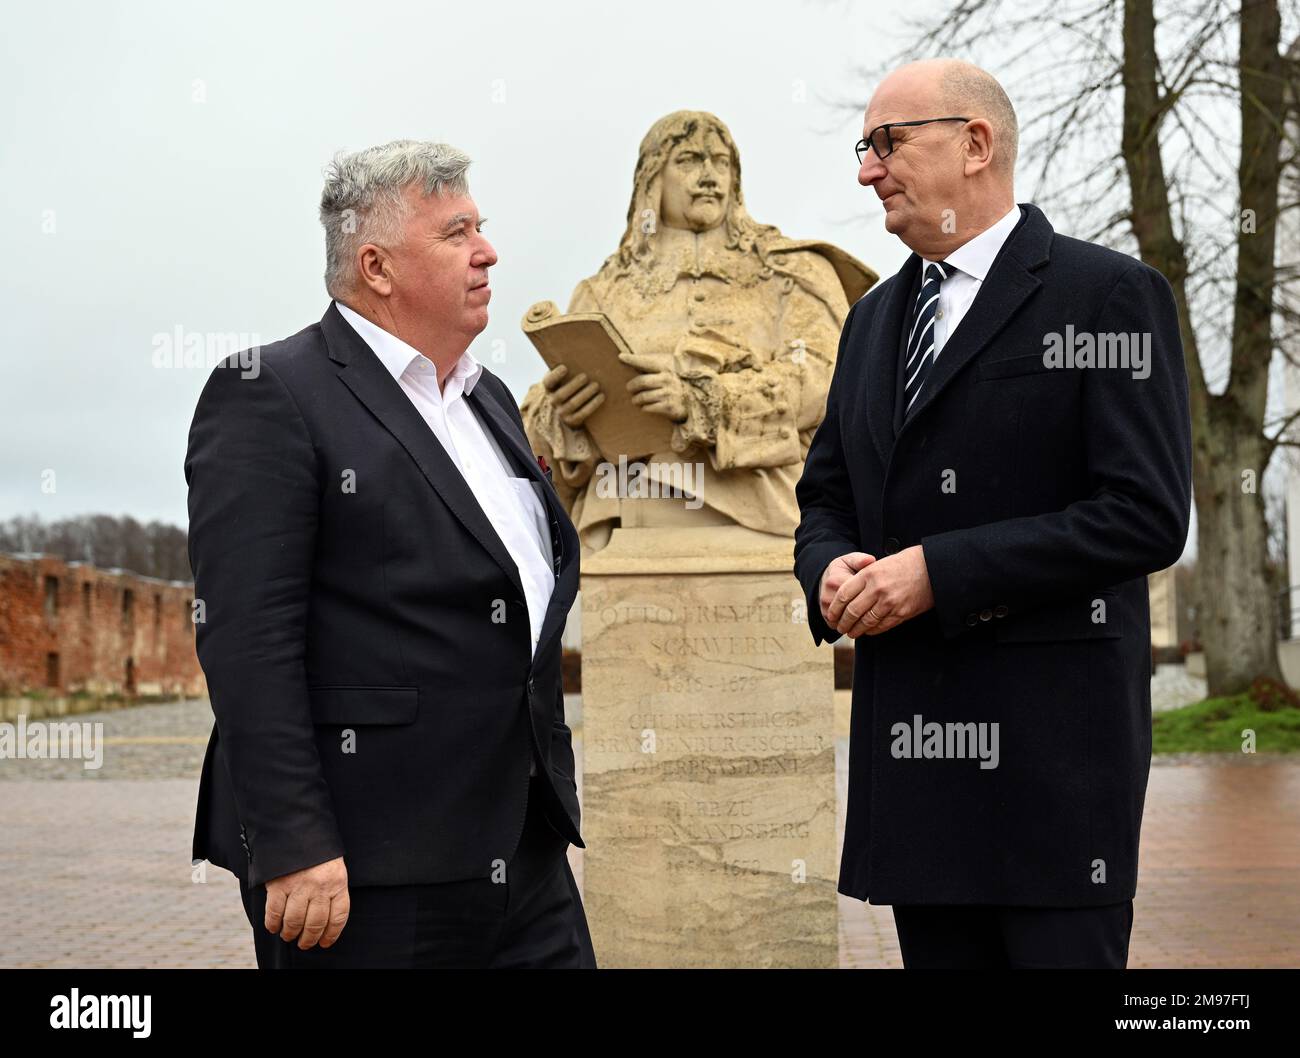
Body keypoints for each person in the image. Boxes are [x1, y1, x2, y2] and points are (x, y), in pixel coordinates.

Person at [793, 59, 1191, 968]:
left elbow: (1144, 514)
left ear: (976, 144)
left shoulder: (1108, 296)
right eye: (865, 148)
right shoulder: (870, 321)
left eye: (888, 142)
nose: (867, 170)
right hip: (915, 785)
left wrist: (938, 572)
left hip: (1055, 788)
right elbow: (826, 498)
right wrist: (829, 570)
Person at [186, 140, 595, 968]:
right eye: (456, 233)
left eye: (480, 227)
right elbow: (247, 642)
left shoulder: (489, 401)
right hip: (366, 873)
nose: (488, 251)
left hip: (523, 855)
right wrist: (294, 841)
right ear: (376, 265)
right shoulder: (271, 391)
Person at [521, 110, 873, 554]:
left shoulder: (794, 270)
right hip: (621, 524)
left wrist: (700, 401)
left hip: (770, 521)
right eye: (688, 160)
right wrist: (564, 414)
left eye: (720, 162)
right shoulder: (603, 291)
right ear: (652, 180)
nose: (708, 176)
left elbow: (828, 380)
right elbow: (542, 448)